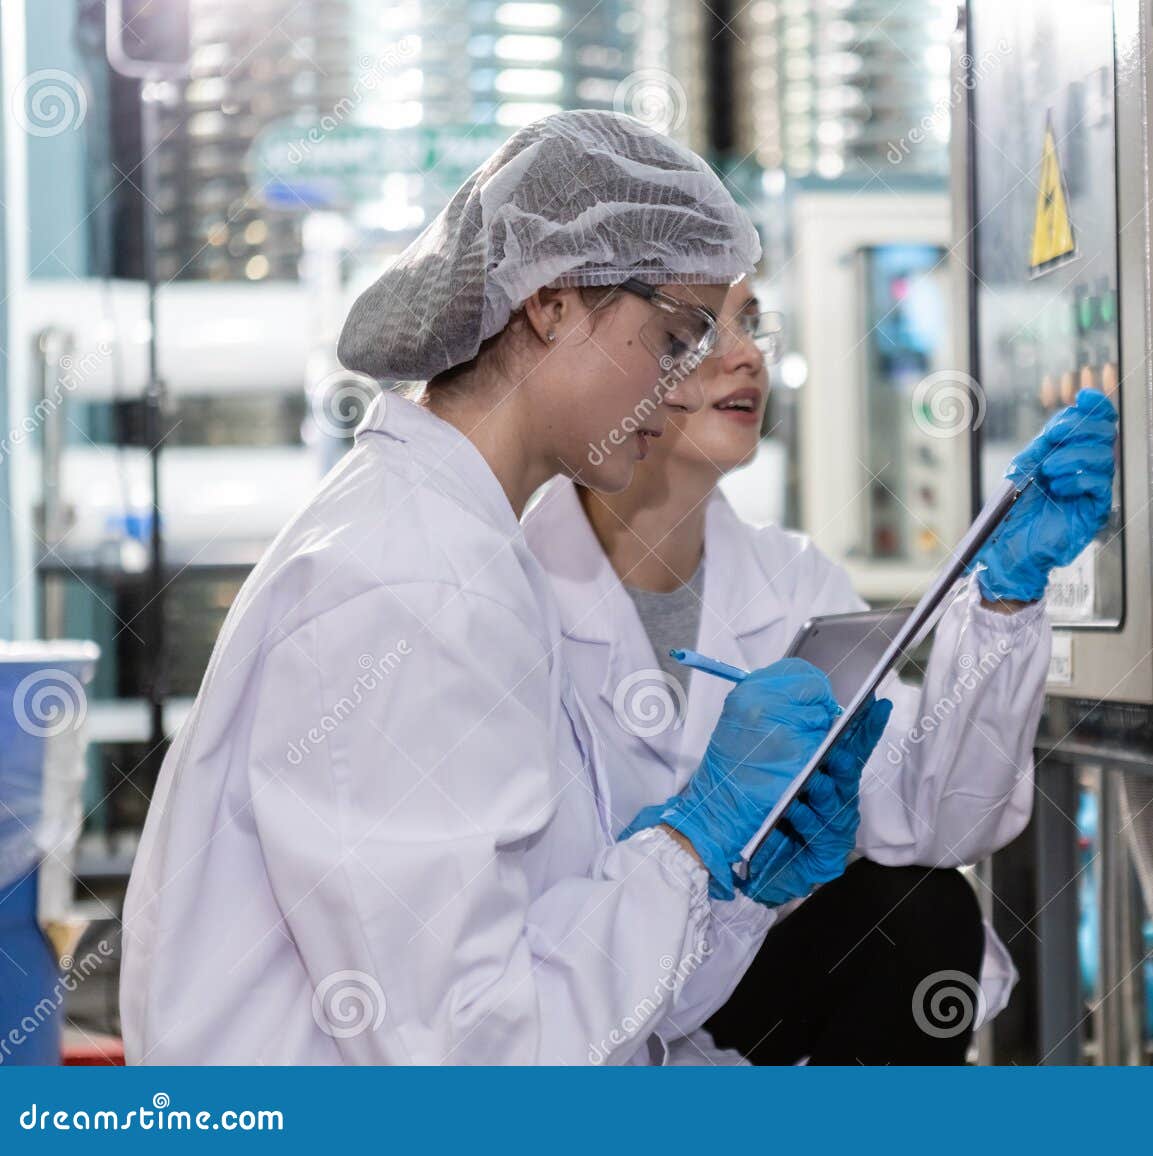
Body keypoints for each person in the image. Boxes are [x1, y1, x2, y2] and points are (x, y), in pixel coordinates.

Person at [119, 111, 883, 1065]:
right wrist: (690, 845)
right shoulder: (420, 579)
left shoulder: (467, 542)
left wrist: (724, 879)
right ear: (553, 303)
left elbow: (544, 968)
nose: (687, 381)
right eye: (676, 335)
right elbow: (469, 1055)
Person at [523, 278, 1118, 1063]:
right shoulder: (508, 587)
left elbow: (945, 824)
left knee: (921, 910)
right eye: (698, 330)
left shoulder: (791, 580)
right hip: (548, 1030)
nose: (745, 358)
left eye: (753, 324)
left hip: (727, 1004)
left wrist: (1004, 600)